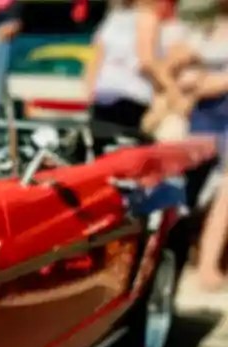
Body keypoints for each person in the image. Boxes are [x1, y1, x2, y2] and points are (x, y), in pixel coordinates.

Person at [160, 0, 228, 289]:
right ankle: (180, 256)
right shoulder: (204, 31)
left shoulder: (206, 33)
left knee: (224, 197)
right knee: (186, 194)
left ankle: (207, 265)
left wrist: (201, 81)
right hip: (202, 122)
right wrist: (183, 89)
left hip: (217, 119)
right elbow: (172, 66)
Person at [85, 0, 161, 131]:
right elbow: (145, 62)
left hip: (103, 94)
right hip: (132, 95)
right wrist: (169, 88)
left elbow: (94, 61)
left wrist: (89, 93)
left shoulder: (110, 20)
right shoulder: (146, 18)